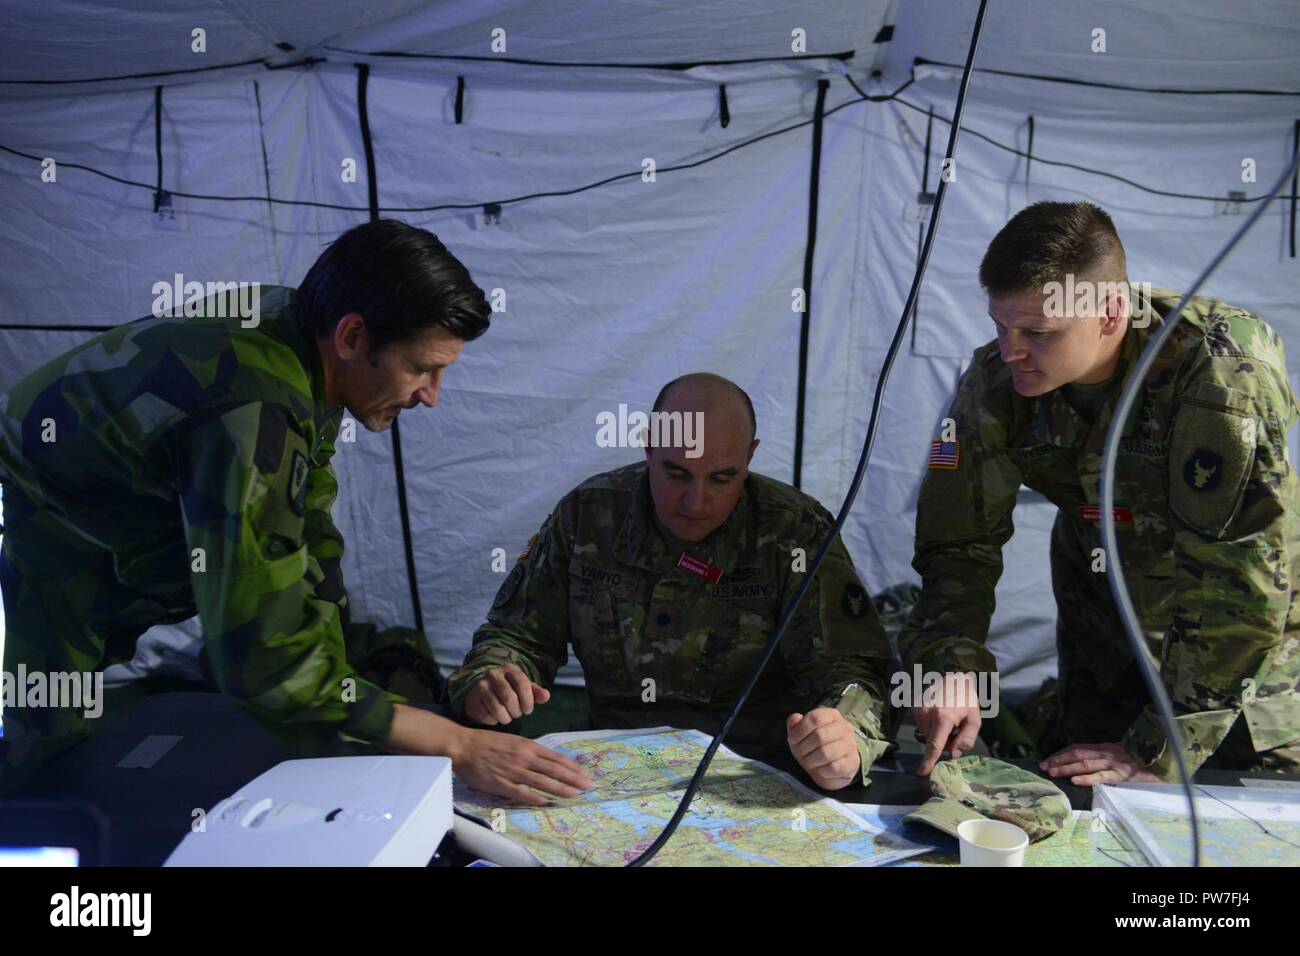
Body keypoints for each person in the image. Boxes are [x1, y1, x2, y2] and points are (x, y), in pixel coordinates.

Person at [0, 219, 591, 804]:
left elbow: (306, 531)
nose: (431, 395)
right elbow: (259, 655)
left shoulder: (307, 339)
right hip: (53, 503)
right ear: (354, 337)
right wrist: (453, 744)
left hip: (131, 483)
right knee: (47, 736)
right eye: (422, 368)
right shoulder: (253, 405)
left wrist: (348, 696)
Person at [900, 201, 1300, 785]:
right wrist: (953, 666)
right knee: (1085, 805)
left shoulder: (1216, 373)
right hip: (1103, 629)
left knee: (1237, 828)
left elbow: (1240, 584)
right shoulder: (996, 384)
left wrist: (1160, 748)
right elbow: (958, 548)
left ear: (1110, 315)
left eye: (1037, 332)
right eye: (999, 325)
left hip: (1241, 669)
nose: (1010, 351)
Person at [448, 373, 894, 790]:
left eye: (722, 478)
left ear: (750, 457)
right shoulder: (588, 516)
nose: (696, 501)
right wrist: (492, 679)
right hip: (608, 765)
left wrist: (846, 735)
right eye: (676, 473)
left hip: (750, 773)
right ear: (647, 448)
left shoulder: (795, 532)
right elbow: (516, 636)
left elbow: (851, 668)